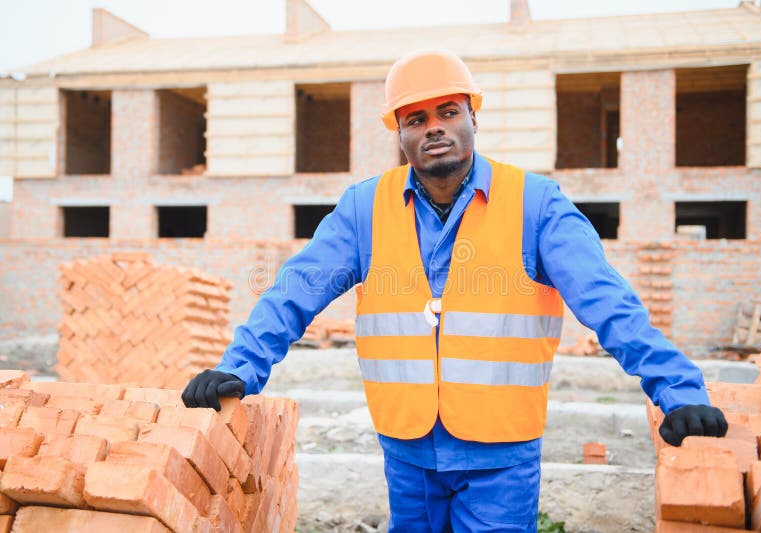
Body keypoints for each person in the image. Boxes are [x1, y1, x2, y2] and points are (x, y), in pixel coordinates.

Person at [182, 48, 728, 532]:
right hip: (407, 452)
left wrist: (678, 390)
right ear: (399, 132)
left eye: (448, 112)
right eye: (415, 118)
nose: (433, 128)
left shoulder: (535, 205)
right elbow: (293, 293)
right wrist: (240, 365)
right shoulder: (363, 208)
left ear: (473, 116)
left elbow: (610, 305)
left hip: (500, 459)